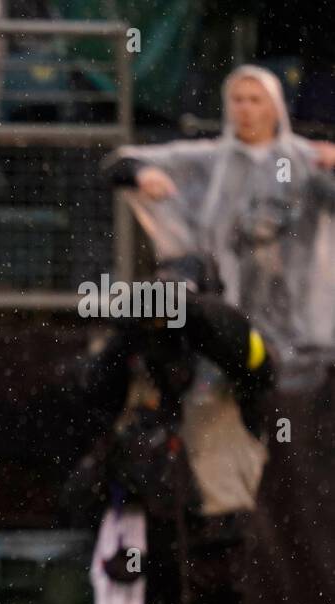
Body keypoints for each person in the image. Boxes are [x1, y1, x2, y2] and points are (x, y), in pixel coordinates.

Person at [64, 288, 274, 604]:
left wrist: (191, 309)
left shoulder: (235, 351)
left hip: (215, 528)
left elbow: (253, 357)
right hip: (139, 528)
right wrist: (132, 330)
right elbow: (90, 387)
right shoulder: (135, 357)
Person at [105, 65, 335, 389]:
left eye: (256, 100)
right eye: (238, 99)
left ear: (275, 106)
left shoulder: (305, 160)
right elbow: (120, 162)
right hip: (225, 307)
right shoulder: (209, 159)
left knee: (286, 407)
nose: (246, 109)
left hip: (294, 320)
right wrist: (143, 173)